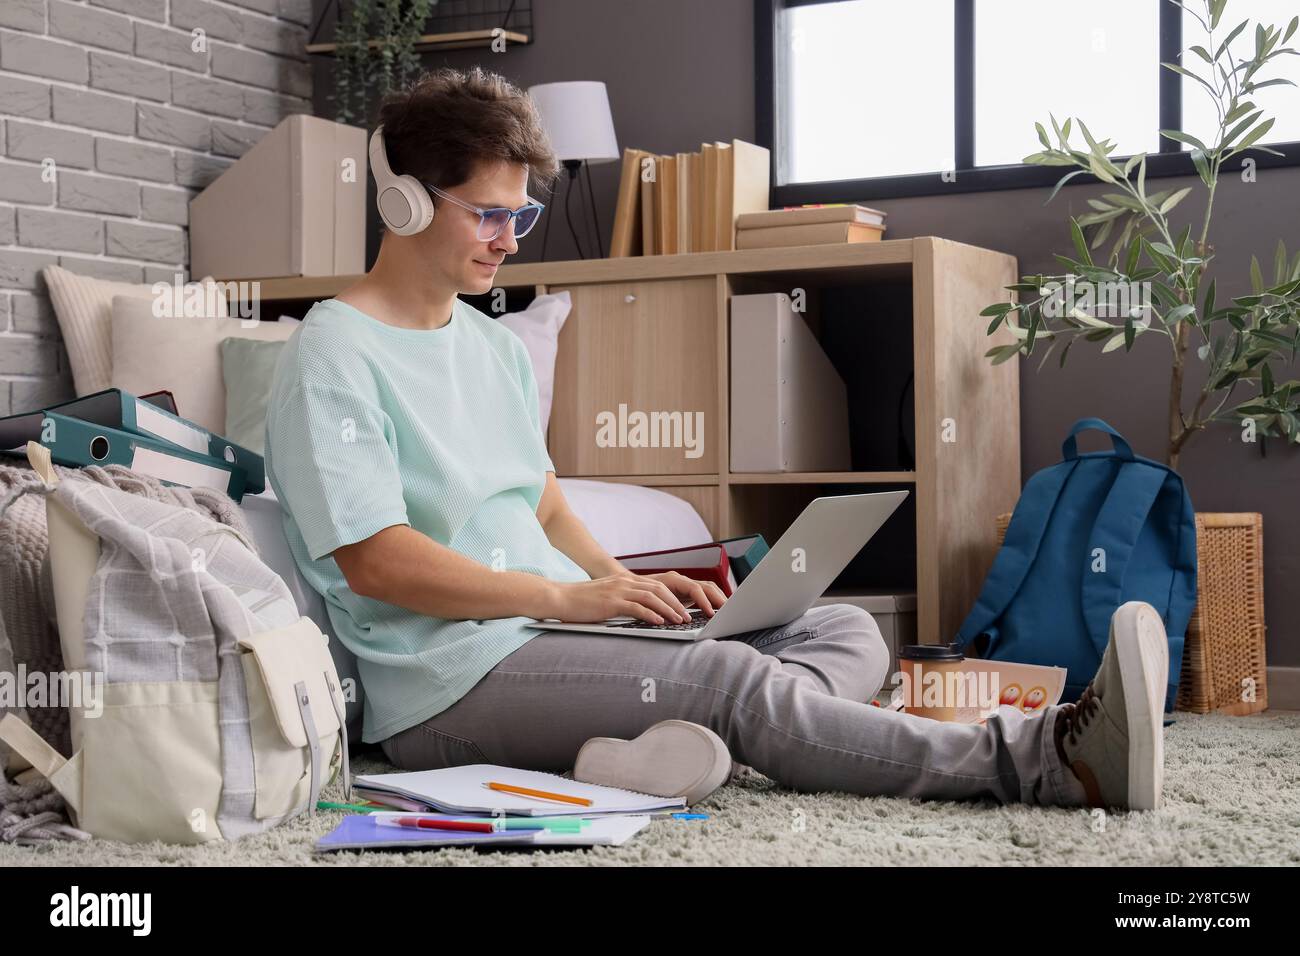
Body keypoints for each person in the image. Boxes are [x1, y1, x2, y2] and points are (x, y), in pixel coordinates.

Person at [265, 66, 1169, 814]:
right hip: (448, 686)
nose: (509, 241)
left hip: (546, 628)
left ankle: (680, 750)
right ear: (406, 203)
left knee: (841, 626)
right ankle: (1046, 759)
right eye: (488, 214)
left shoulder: (493, 345)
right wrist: (569, 599)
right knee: (732, 679)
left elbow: (543, 505)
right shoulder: (332, 352)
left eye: (522, 216)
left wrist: (619, 587)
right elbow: (376, 562)